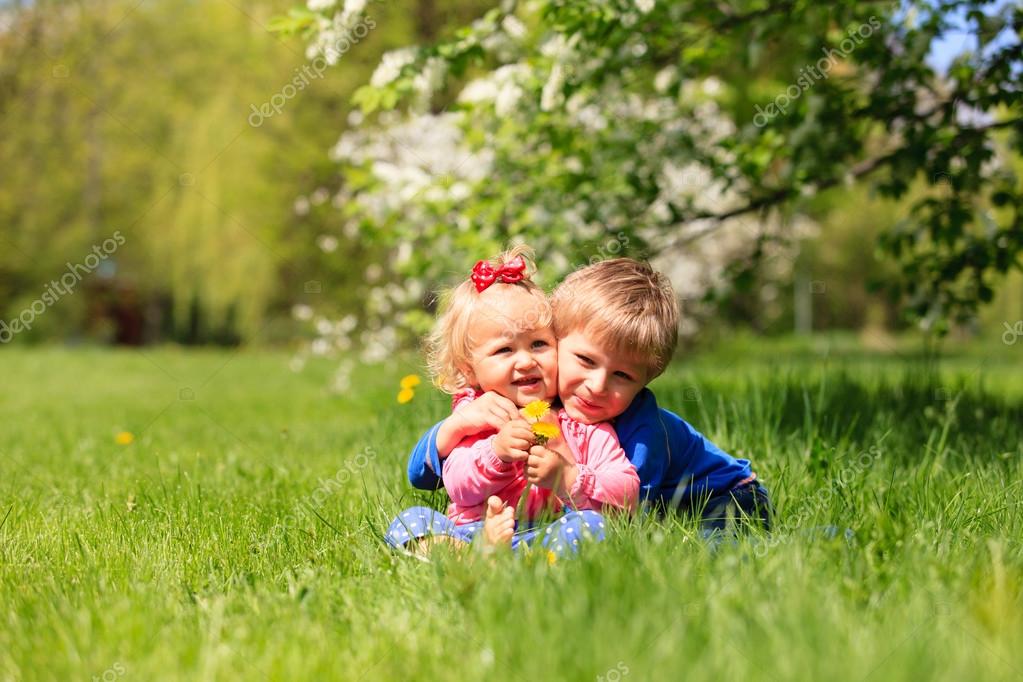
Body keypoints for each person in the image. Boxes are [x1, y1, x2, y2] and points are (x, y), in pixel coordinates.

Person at [406, 257, 772, 534]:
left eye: (623, 375)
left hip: (727, 495)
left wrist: (562, 489)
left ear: (648, 379)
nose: (597, 385)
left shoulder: (638, 427)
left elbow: (628, 515)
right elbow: (422, 476)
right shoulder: (524, 397)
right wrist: (454, 427)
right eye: (584, 360)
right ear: (558, 340)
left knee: (710, 551)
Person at [385, 248, 638, 557]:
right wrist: (496, 454)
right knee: (411, 522)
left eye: (539, 344)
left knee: (593, 526)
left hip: (548, 531)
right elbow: (457, 485)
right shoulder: (479, 418)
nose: (526, 361)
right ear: (469, 368)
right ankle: (467, 556)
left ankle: (531, 563)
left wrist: (568, 477)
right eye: (505, 350)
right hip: (472, 531)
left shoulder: (578, 421)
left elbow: (627, 491)